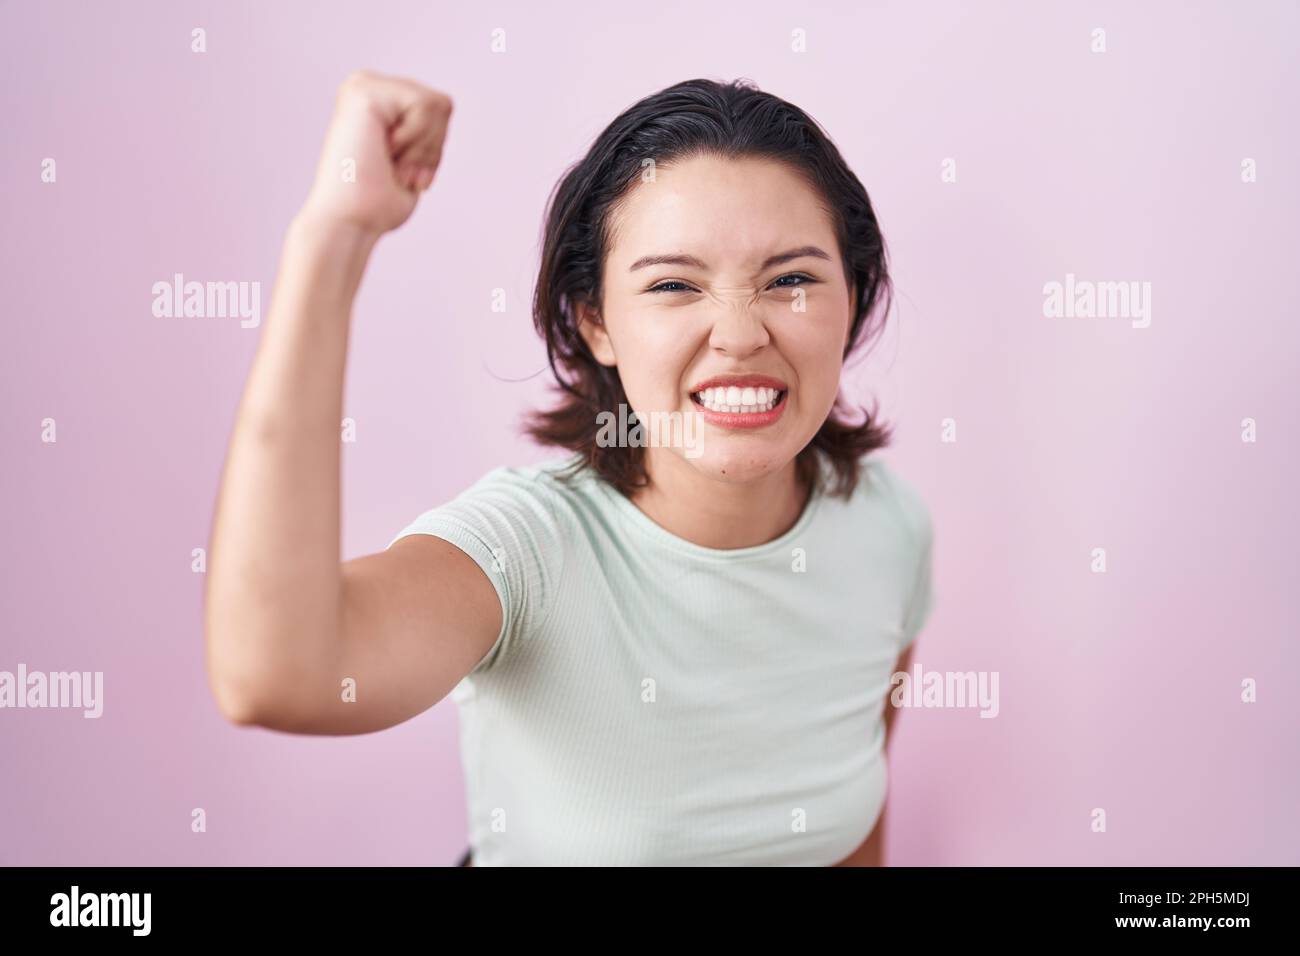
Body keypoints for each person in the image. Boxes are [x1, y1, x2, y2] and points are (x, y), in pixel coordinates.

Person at [204, 70, 936, 866]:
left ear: (854, 299)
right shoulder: (525, 551)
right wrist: (334, 236)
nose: (737, 334)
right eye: (672, 284)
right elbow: (275, 674)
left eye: (791, 279)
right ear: (596, 323)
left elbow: (854, 839)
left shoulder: (887, 527)